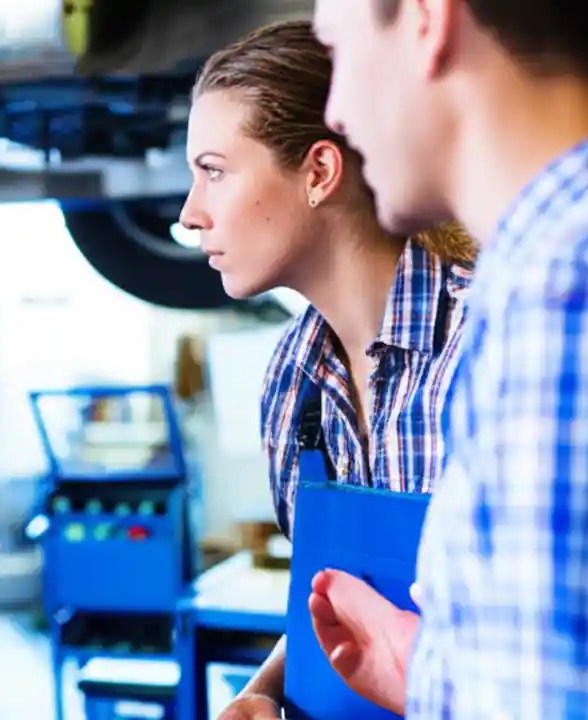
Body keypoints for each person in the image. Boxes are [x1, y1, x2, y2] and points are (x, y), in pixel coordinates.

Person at [177, 20, 477, 720]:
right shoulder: (292, 379)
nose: (192, 214)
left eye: (214, 171)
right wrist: (262, 694)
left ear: (318, 171)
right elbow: (328, 602)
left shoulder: (487, 344)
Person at [308, 0, 588, 716]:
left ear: (426, 19)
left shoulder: (563, 295)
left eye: (339, 52)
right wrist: (435, 672)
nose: (338, 112)